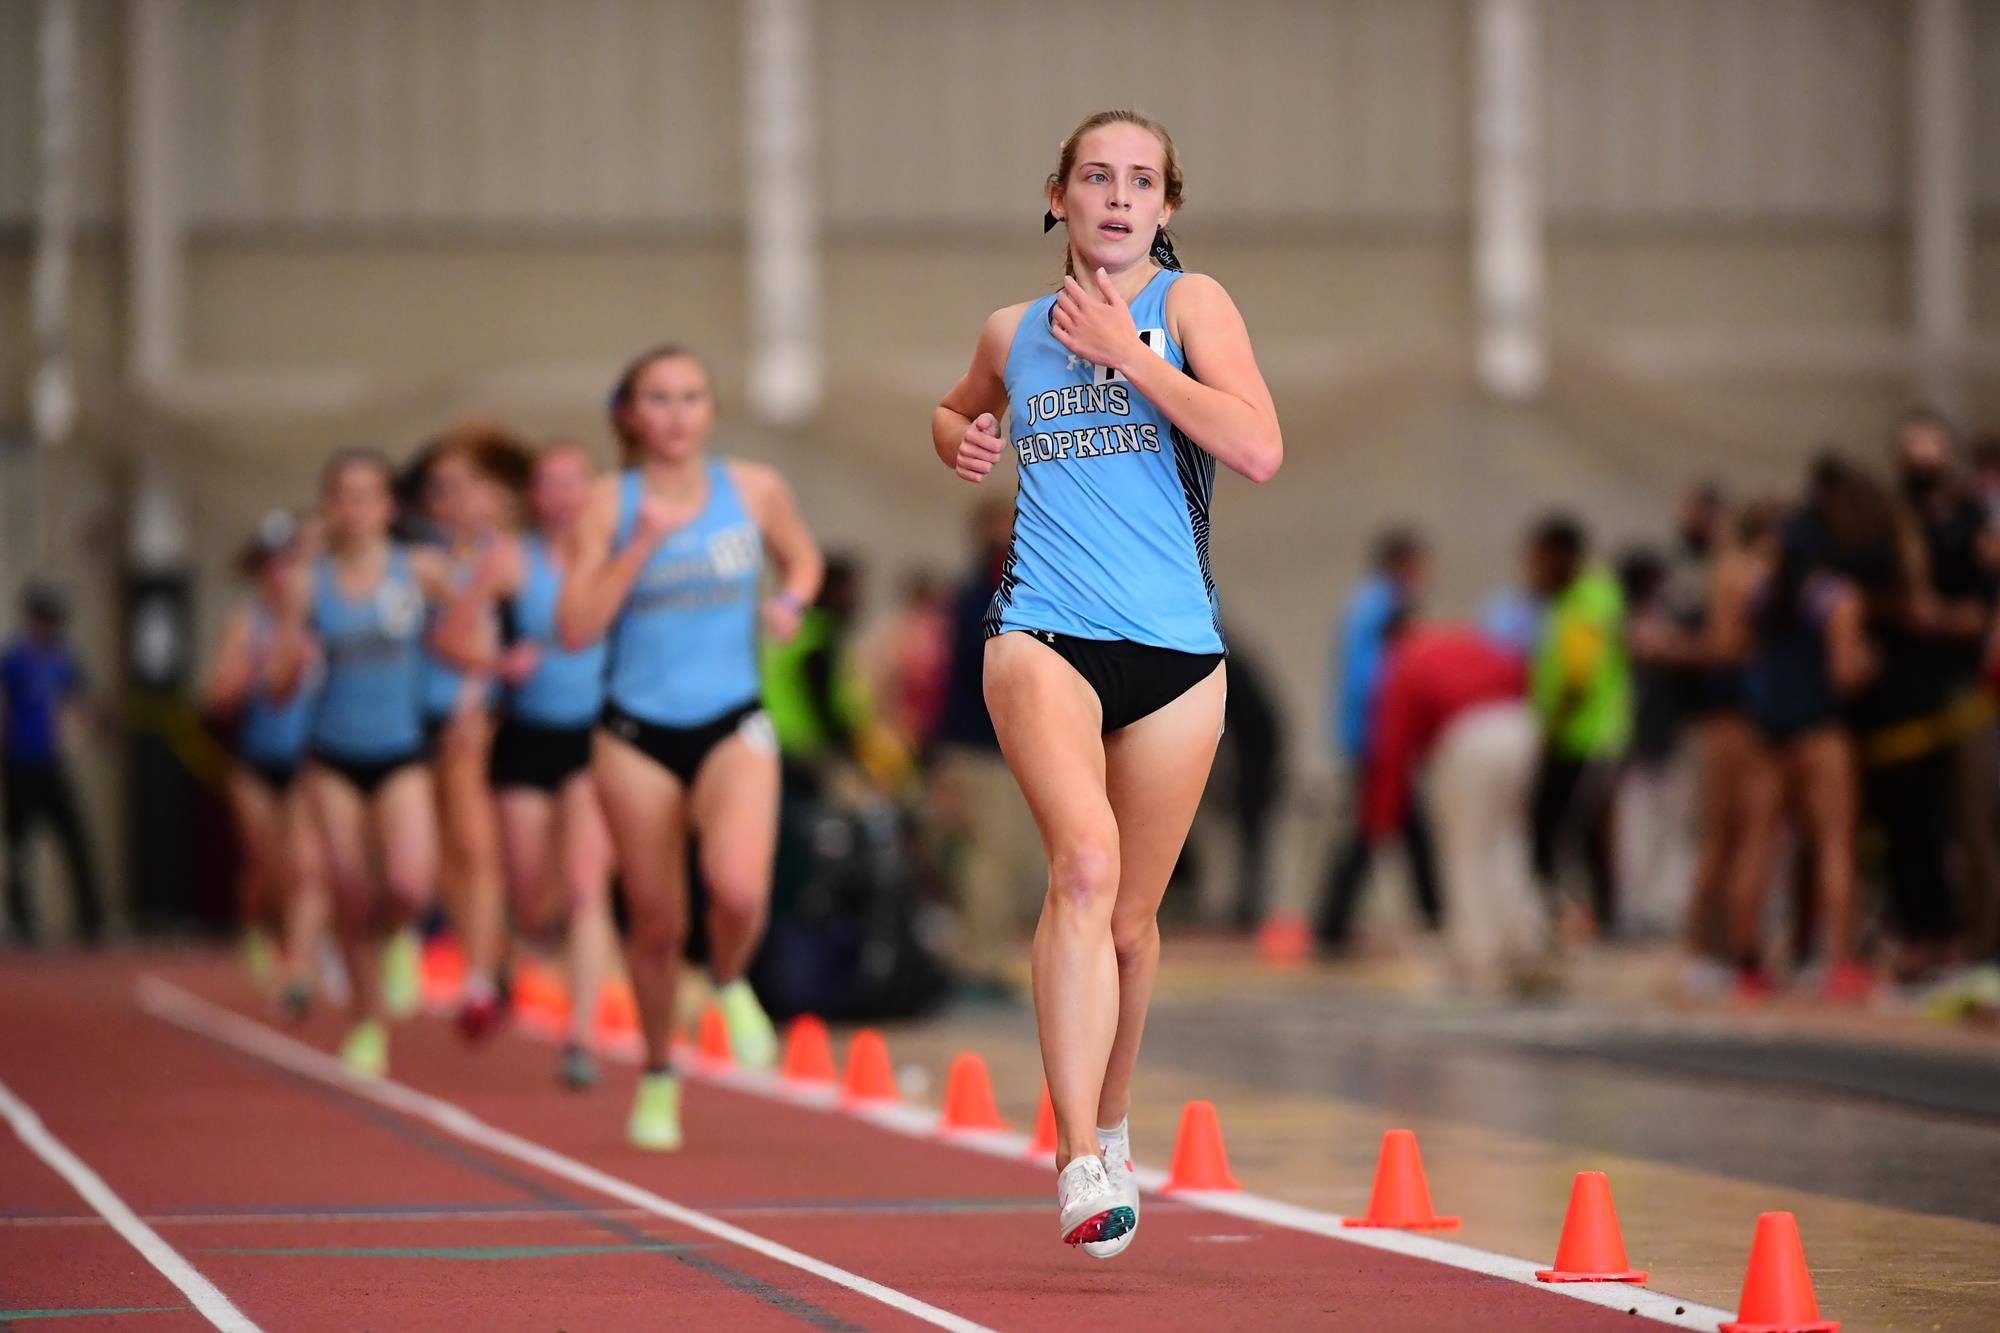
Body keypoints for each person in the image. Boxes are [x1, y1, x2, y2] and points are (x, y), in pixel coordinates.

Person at [932, 108, 1281, 1255]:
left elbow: (1256, 447)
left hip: (1177, 652)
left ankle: (1113, 1114)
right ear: (1058, 197)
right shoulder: (1011, 327)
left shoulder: (1191, 307)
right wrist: (957, 438)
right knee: (1080, 867)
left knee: (1130, 925)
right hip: (1041, 631)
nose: (1118, 197)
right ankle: (1077, 1154)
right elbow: (959, 403)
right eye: (1096, 177)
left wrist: (1129, 356)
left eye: (1141, 181)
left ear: (1166, 208)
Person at [559, 344, 823, 1151]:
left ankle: (733, 977)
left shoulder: (753, 488)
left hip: (732, 722)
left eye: (690, 397)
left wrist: (792, 600)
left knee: (738, 890)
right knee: (656, 921)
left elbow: (802, 556)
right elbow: (574, 628)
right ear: (632, 416)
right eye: (658, 399)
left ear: (710, 408)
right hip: (635, 732)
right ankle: (658, 1071)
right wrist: (639, 543)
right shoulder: (607, 502)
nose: (676, 414)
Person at [435, 441, 617, 1090]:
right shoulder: (509, 560)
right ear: (534, 497)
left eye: (574, 482)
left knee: (586, 884)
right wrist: (496, 666)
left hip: (597, 738)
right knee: (532, 895)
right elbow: (449, 636)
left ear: (593, 492)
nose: (562, 496)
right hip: (527, 737)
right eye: (549, 485)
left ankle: (581, 1038)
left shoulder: (615, 554)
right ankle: (518, 951)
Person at [270, 450, 450, 1077]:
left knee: (408, 883)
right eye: (342, 495)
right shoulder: (305, 582)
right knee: (350, 890)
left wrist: (476, 678)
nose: (355, 508)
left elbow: (472, 622)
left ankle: (400, 936)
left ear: (388, 507)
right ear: (328, 506)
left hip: (402, 750)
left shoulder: (419, 570)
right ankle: (367, 1021)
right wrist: (295, 656)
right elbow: (278, 685)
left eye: (368, 495)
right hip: (334, 756)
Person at [1724, 477, 1876, 998]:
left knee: (1757, 847)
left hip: (1767, 731)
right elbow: (1843, 674)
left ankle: (1747, 963)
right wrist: (1866, 664)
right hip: (1819, 731)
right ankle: (1841, 963)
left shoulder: (1759, 594)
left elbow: (1738, 651)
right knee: (1835, 845)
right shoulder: (1836, 598)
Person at [409, 430, 524, 1040]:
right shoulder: (428, 560)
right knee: (449, 852)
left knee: (477, 845)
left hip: (475, 714)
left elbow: (481, 637)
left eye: (465, 485)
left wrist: (469, 709)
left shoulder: (495, 558)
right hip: (418, 714)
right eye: (441, 489)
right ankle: (482, 959)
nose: (451, 498)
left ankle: (485, 973)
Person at [1364, 611, 1541, 990]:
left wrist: (1383, 816)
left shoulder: (1404, 660)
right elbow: (1521, 669)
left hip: (1468, 737)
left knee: (1467, 847)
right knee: (1509, 839)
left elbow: (1393, 747)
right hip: (1521, 725)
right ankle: (1523, 939)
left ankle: (1478, 952)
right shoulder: (1465, 637)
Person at [202, 511, 328, 1014]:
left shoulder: (324, 616)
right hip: (257, 762)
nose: (280, 574)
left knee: (305, 867)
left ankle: (297, 963)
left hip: (308, 762)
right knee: (266, 867)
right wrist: (258, 668)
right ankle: (258, 928)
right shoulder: (248, 621)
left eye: (290, 562)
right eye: (272, 564)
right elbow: (218, 693)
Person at [930, 498, 1043, 995]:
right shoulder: (988, 594)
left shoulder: (983, 591)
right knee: (991, 859)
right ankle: (979, 962)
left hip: (989, 745)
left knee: (997, 858)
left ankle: (982, 956)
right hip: (981, 747)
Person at [1315, 529, 1442, 950]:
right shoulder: (1382, 604)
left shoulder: (1367, 601)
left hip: (1371, 735)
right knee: (1376, 828)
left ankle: (1337, 922)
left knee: (1393, 828)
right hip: (1378, 737)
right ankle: (1335, 923)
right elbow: (1374, 675)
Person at [1525, 514, 1630, 938]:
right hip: (1578, 734)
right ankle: (1587, 915)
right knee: (1576, 832)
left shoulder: (1588, 600)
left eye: (1538, 559)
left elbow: (1578, 678)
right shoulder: (1571, 600)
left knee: (1560, 829)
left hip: (1584, 736)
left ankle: (1582, 916)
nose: (1533, 571)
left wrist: (1549, 730)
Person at [1, 582, 106, 946]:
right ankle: (23, 919)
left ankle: (92, 919)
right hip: (18, 764)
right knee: (20, 845)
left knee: (75, 839)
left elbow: (83, 700)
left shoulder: (62, 660)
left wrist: (91, 722)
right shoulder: (14, 659)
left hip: (50, 764)